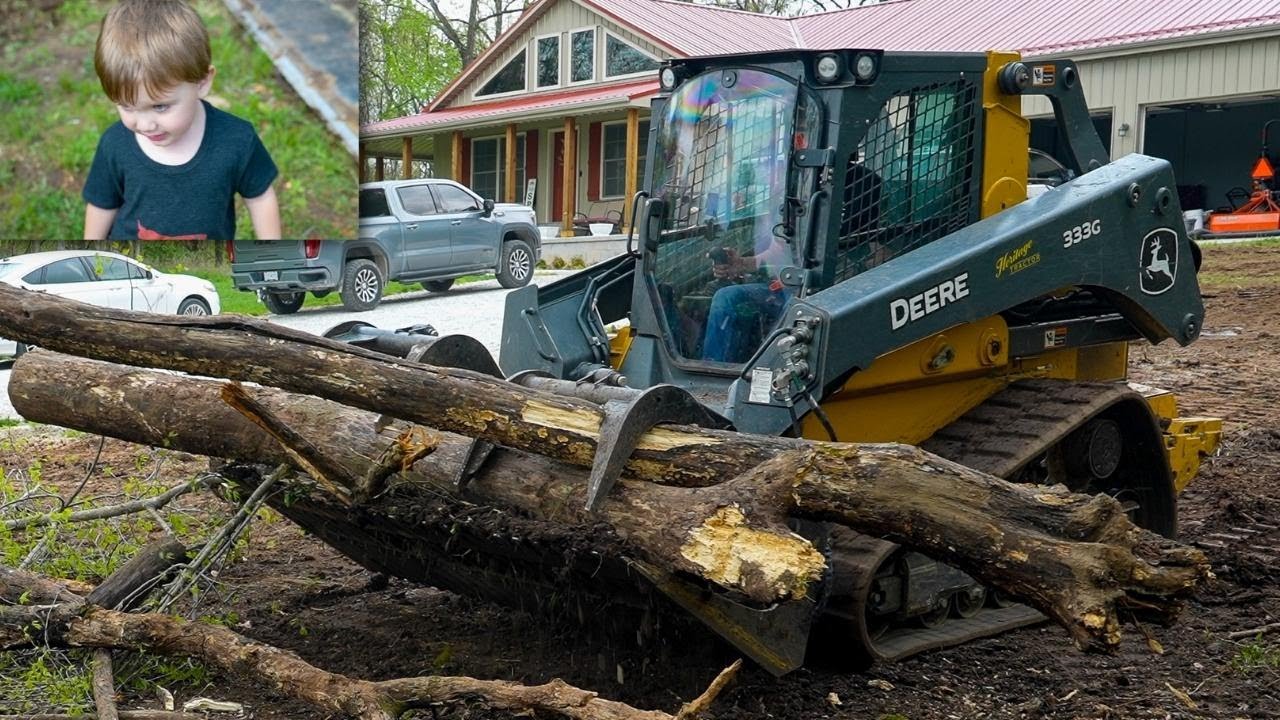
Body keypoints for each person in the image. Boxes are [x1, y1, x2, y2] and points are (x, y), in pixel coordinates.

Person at [83, 0, 280, 240]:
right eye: (127, 106)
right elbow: (102, 204)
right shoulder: (115, 144)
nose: (144, 125)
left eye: (160, 106)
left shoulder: (237, 140)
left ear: (202, 82)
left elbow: (259, 196)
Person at [701, 229, 793, 363]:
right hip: (778, 286)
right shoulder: (783, 216)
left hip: (809, 291)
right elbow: (776, 252)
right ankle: (710, 366)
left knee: (727, 297)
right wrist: (742, 264)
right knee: (726, 298)